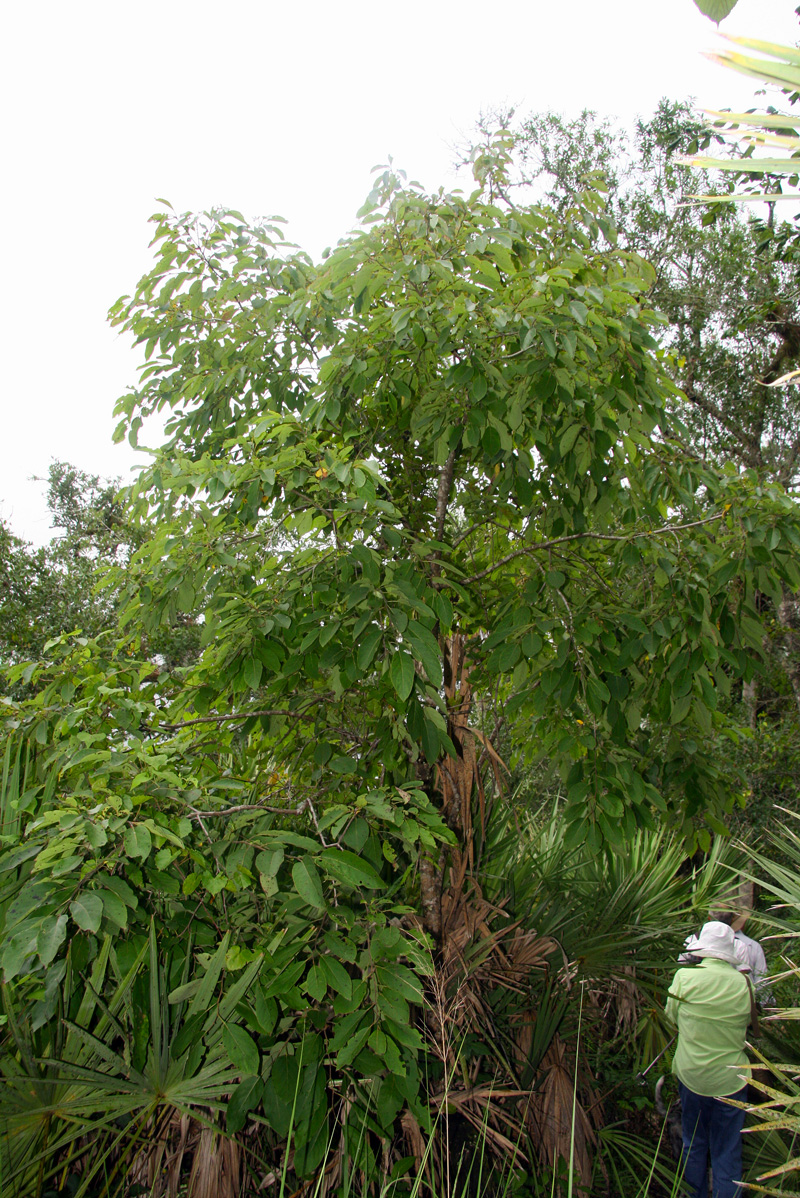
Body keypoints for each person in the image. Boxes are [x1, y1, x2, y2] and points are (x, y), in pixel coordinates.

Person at [666, 920, 753, 1198]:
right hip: (732, 1079)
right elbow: (751, 1022)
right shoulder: (743, 982)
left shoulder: (684, 977)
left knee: (693, 1144)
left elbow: (671, 1017)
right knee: (727, 1150)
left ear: (702, 949)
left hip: (693, 1076)